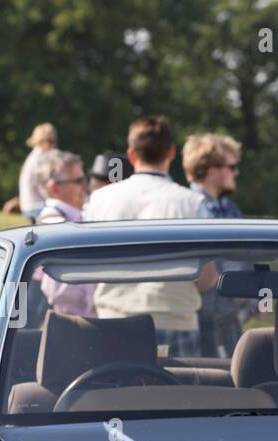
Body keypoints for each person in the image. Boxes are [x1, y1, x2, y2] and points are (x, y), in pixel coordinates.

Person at [83, 116, 215, 356]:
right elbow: (206, 278)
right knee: (177, 395)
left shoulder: (99, 200)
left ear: (131, 155)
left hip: (113, 321)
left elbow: (87, 265)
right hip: (175, 322)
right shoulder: (193, 204)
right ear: (171, 152)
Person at [184, 133, 246, 354]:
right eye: (231, 166)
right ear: (212, 170)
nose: (236, 172)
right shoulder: (188, 206)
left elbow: (241, 257)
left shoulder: (229, 208)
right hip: (199, 315)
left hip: (228, 314)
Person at [30, 150, 95, 317]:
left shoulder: (73, 219)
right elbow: (61, 290)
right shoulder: (55, 226)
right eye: (78, 181)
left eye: (84, 179)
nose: (85, 186)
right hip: (69, 327)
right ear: (54, 188)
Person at [18, 123, 58, 220]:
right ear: (43, 141)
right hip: (37, 208)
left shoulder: (33, 156)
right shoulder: (41, 158)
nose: (54, 144)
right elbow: (45, 188)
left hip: (28, 207)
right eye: (51, 141)